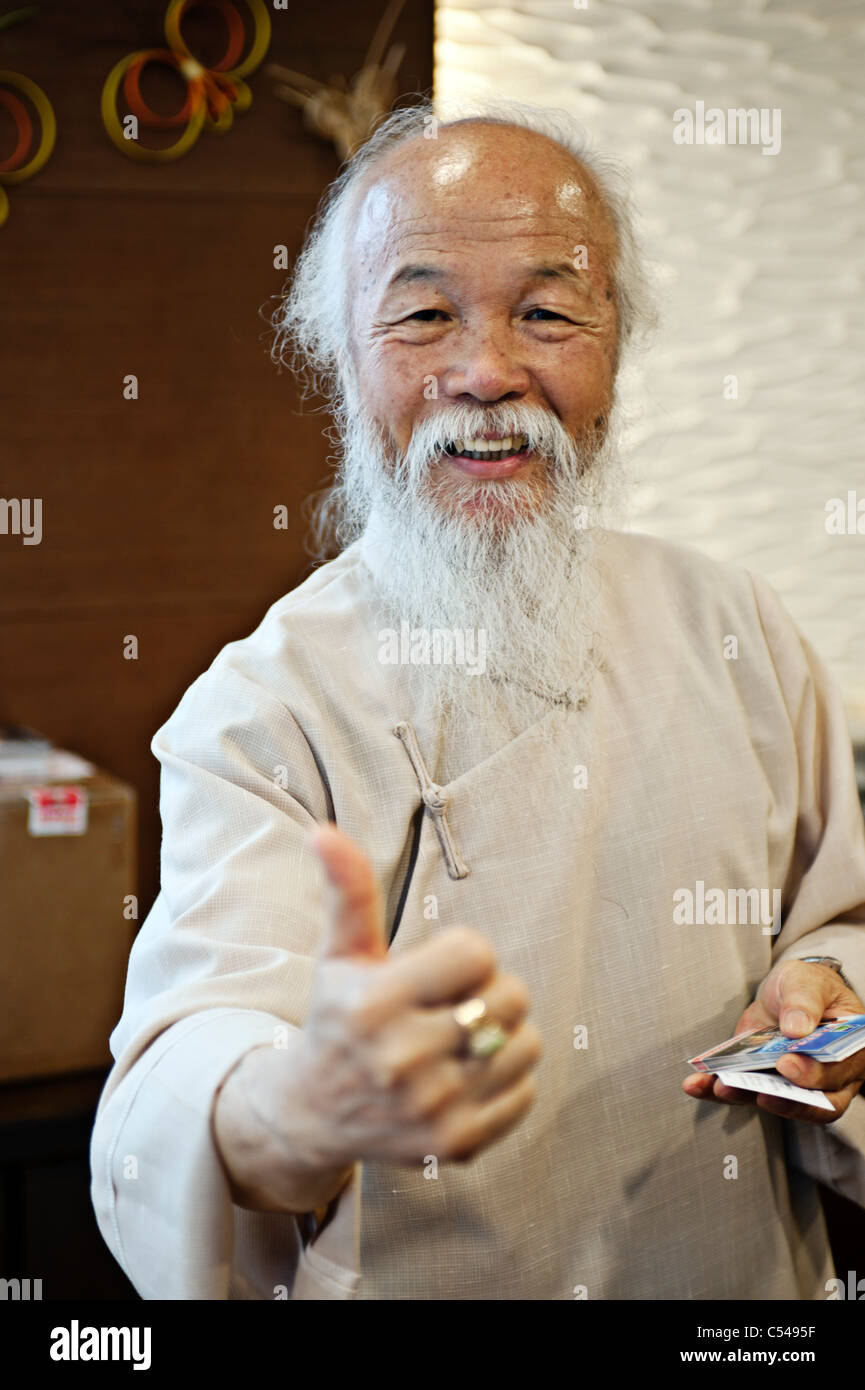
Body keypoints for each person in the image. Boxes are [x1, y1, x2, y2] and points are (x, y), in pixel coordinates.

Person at [90, 97, 865, 1300]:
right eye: (421, 316)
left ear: (618, 344)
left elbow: (839, 917)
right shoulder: (266, 708)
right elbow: (175, 1084)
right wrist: (300, 1105)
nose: (487, 373)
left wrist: (827, 988)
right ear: (341, 355)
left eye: (549, 312)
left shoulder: (733, 624)